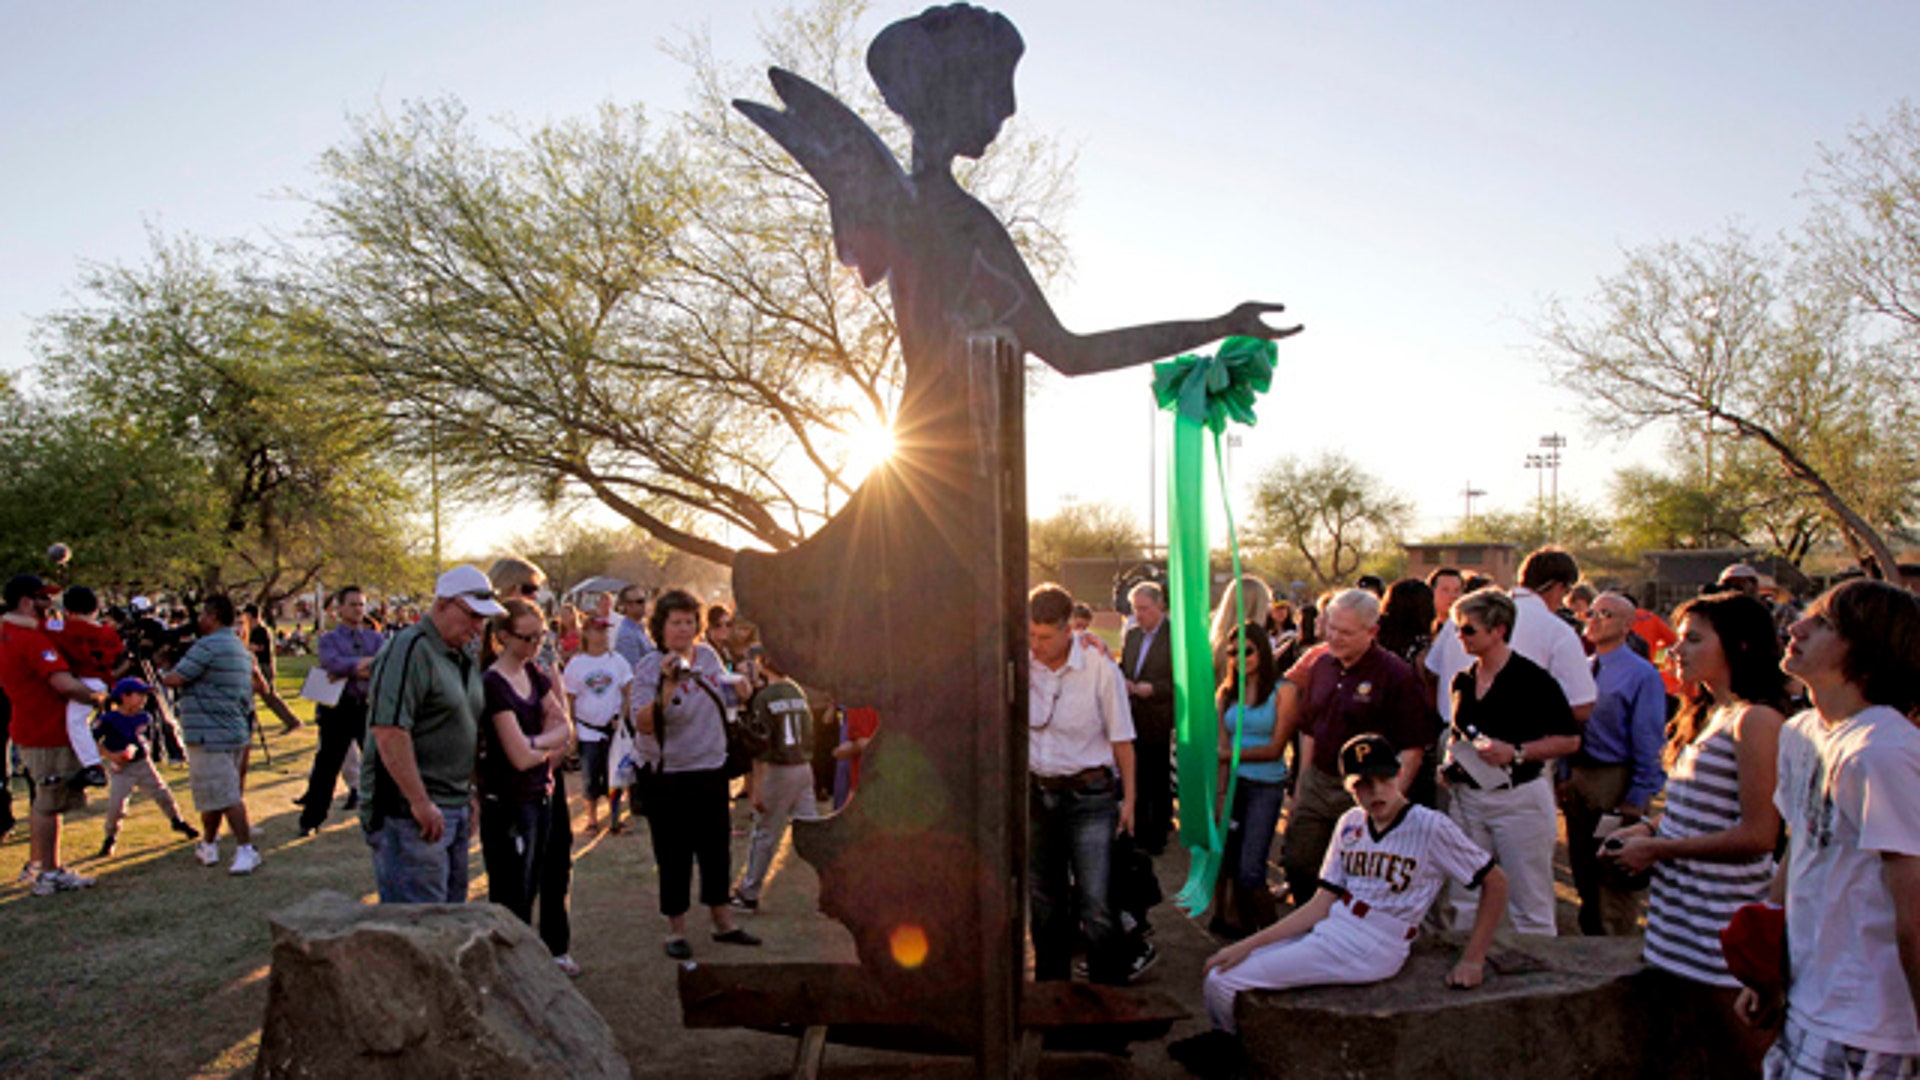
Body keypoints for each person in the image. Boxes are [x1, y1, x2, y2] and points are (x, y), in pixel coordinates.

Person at [1172, 733, 1508, 1076]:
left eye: (1382, 779)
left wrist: (1473, 959)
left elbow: (1495, 882)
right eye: (1362, 784)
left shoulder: (1430, 825)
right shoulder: (1350, 822)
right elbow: (1321, 903)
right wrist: (1246, 945)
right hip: (1337, 924)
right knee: (1220, 971)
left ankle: (1231, 1058)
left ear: (1398, 774)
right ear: (1349, 787)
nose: (1375, 791)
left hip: (1378, 942)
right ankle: (1227, 1046)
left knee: (1223, 982)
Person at [1742, 579, 1920, 1077]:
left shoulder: (1883, 753)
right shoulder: (1800, 733)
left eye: (1824, 624)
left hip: (1872, 1027)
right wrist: (1767, 968)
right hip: (1808, 1002)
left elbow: (1914, 910)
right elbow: (1798, 854)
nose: (1796, 627)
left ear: (1867, 654)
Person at [1603, 590, 1786, 1073]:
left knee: (1746, 1060)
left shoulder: (1756, 720)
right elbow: (1700, 809)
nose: (1676, 649)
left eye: (1694, 639)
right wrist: (1647, 828)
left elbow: (1760, 835)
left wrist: (1658, 850)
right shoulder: (1707, 712)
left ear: (1740, 645)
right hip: (1679, 925)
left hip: (1720, 930)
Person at [360, 565, 503, 903]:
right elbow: (389, 731)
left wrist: (469, 791)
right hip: (409, 815)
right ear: (442, 604)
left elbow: (465, 726)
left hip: (452, 805)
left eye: (484, 619)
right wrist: (420, 802)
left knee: (451, 918)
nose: (479, 627)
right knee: (419, 922)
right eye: (472, 616)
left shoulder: (461, 654)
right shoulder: (409, 649)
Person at [1440, 588, 1580, 934]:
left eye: (1468, 629)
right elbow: (1459, 733)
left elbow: (1569, 739)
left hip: (1519, 798)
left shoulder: (1533, 681)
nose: (1460, 636)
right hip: (1468, 798)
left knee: (1529, 899)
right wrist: (1450, 761)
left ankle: (1534, 963)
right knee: (1465, 895)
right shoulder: (1463, 680)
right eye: (1457, 629)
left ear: (1498, 630)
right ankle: (1469, 957)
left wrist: (1517, 751)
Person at [1278, 588, 1429, 905]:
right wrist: (1302, 783)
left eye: (1345, 632)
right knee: (1300, 861)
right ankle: (1311, 924)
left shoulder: (1395, 675)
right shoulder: (1321, 666)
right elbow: (1310, 730)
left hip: (1367, 787)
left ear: (1372, 631)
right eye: (1331, 628)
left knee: (1355, 874)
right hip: (1319, 780)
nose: (1335, 637)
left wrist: (1389, 802)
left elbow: (1412, 748)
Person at [634, 588, 760, 959]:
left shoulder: (707, 656)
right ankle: (676, 929)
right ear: (661, 627)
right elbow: (643, 723)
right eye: (675, 622)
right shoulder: (648, 667)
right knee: (673, 853)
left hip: (711, 767)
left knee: (716, 848)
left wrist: (742, 688)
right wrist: (668, 686)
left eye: (690, 622)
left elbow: (724, 696)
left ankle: (723, 922)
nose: (683, 629)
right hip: (668, 773)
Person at [1027, 583, 1136, 985]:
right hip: (1038, 794)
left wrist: (1130, 800)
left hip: (1089, 796)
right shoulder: (1022, 663)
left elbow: (1122, 739)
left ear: (1068, 629)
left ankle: (1107, 997)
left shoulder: (1098, 667)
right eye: (1031, 635)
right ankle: (1051, 993)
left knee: (1097, 902)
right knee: (1044, 902)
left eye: (1045, 637)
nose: (1036, 645)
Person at [478, 597, 579, 976]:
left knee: (545, 876)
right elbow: (517, 756)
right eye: (527, 638)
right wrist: (543, 744)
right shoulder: (494, 683)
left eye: (541, 636)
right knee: (514, 892)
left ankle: (542, 957)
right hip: (509, 802)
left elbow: (564, 729)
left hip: (541, 794)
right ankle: (512, 970)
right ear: (504, 636)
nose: (536, 645)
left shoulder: (534, 673)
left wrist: (535, 741)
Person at [1562, 591, 1668, 936]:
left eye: (1605, 614)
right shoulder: (1583, 668)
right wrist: (1564, 774)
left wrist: (1637, 797)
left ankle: (1616, 940)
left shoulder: (1641, 675)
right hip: (1579, 777)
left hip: (1614, 778)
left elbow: (1648, 739)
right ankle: (1590, 934)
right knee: (1582, 865)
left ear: (1627, 625)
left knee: (1613, 870)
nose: (1594, 620)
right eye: (1591, 612)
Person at [1, 573, 106, 895]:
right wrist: (101, 699)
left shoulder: (9, 632)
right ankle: (47, 872)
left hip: (32, 726)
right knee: (47, 803)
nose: (50, 604)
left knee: (49, 800)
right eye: (43, 598)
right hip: (45, 729)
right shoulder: (30, 639)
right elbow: (63, 683)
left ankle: (47, 866)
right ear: (26, 601)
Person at [1427, 547, 1597, 730]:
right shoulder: (1557, 631)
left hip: (1452, 731)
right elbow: (1582, 705)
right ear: (1558, 587)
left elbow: (1431, 670)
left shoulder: (1464, 614)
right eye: (1566, 592)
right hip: (1517, 738)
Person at [158, 595, 262, 875]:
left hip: (209, 732)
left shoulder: (207, 646)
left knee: (226, 796)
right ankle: (208, 843)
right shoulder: (239, 648)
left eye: (203, 614)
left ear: (213, 616)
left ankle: (246, 849)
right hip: (233, 729)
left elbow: (174, 679)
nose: (200, 620)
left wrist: (163, 663)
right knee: (213, 794)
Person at [731, 646, 818, 912]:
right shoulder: (797, 691)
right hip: (803, 766)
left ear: (764, 663)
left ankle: (748, 893)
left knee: (765, 833)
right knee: (813, 831)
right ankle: (837, 885)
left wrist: (757, 787)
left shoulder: (766, 696)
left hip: (779, 769)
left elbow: (761, 745)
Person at [1213, 623, 1286, 938]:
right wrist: (1220, 795)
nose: (1240, 658)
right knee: (1228, 864)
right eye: (1232, 653)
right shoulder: (1226, 694)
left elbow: (1276, 749)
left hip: (1266, 787)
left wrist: (1230, 756)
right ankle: (1245, 932)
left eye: (1248, 651)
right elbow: (1221, 745)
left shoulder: (1282, 691)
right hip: (1234, 786)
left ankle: (1273, 935)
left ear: (1262, 651)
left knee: (1252, 869)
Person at [298, 586, 384, 835]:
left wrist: (350, 670)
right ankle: (311, 818)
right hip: (338, 708)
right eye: (353, 604)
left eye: (361, 605)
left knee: (378, 764)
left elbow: (384, 662)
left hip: (368, 706)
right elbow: (331, 663)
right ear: (340, 609)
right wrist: (361, 667)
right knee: (327, 765)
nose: (358, 610)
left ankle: (381, 817)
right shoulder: (329, 639)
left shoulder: (375, 639)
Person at [93, 676, 199, 857]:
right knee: (117, 806)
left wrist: (143, 749)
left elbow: (145, 739)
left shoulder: (144, 717)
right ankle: (110, 837)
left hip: (143, 763)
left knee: (163, 794)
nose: (144, 699)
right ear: (124, 697)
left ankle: (177, 821)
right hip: (122, 768)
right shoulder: (109, 719)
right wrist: (112, 756)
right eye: (139, 694)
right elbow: (91, 742)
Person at [563, 615, 633, 834]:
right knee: (590, 777)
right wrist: (572, 729)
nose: (602, 635)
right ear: (586, 633)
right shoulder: (576, 664)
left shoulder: (617, 661)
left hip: (612, 728)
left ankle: (614, 817)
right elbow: (569, 699)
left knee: (615, 776)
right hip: (588, 730)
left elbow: (629, 691)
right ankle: (592, 819)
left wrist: (622, 716)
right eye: (597, 630)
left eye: (604, 631)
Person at [1119, 581, 1174, 856]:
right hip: (1132, 716)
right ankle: (1138, 830)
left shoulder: (1174, 636)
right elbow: (1124, 668)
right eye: (1135, 609)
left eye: (1144, 608)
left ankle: (1157, 833)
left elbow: (1181, 681)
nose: (1138, 615)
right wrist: (1123, 681)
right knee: (1136, 775)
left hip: (1160, 718)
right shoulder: (1132, 636)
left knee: (1157, 778)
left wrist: (1153, 689)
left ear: (1160, 605)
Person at [52, 584, 121, 787]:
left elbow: (45, 626)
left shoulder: (66, 628)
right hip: (103, 679)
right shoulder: (108, 631)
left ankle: (93, 765)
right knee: (82, 722)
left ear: (67, 611)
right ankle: (92, 761)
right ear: (96, 609)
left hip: (85, 680)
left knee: (75, 723)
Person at [612, 585, 654, 670]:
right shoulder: (626, 635)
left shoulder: (640, 628)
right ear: (627, 606)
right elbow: (633, 670)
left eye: (645, 600)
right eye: (640, 601)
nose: (644, 604)